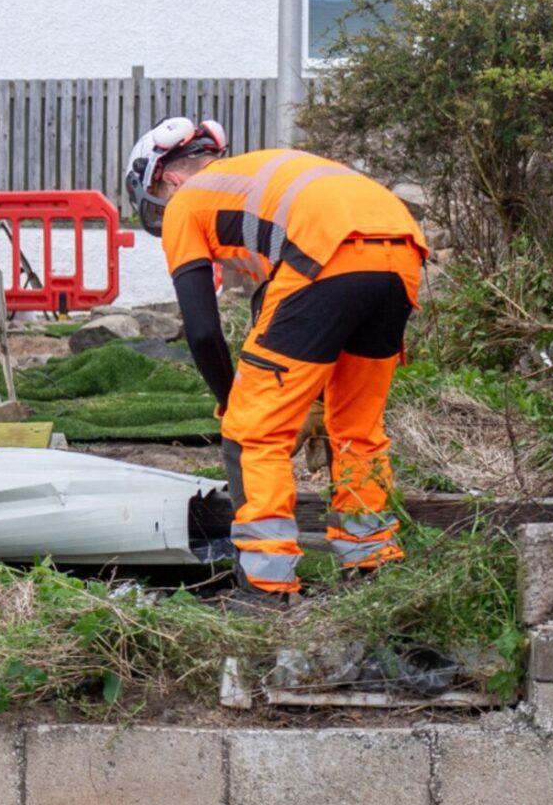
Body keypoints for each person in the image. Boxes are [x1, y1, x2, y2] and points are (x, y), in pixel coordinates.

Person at [124, 118, 426, 609]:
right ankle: (373, 566)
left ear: (165, 178)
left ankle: (265, 589)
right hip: (401, 249)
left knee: (254, 431)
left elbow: (202, 331)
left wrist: (232, 403)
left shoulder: (188, 202)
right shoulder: (258, 181)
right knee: (356, 428)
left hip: (325, 254)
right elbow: (294, 311)